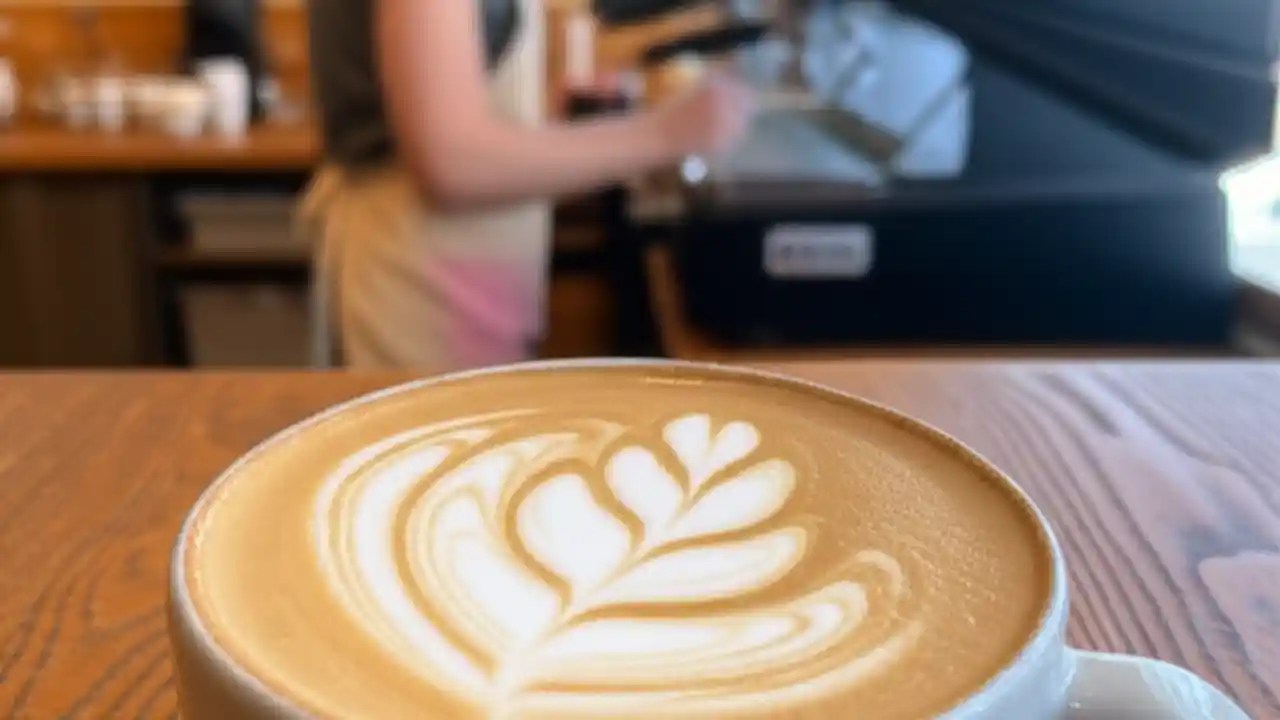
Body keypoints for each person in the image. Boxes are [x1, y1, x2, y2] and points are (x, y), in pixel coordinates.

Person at [303, 0, 756, 370]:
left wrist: (553, 122)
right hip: (417, 284)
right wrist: (668, 133)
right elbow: (450, 160)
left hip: (457, 276)